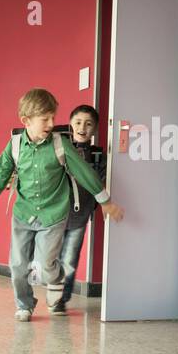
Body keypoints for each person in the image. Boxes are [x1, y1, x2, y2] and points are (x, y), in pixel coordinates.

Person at [0, 88, 124, 321]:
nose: (51, 123)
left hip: (53, 215)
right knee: (18, 265)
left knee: (46, 266)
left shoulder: (60, 144)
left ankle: (56, 280)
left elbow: (84, 172)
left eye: (53, 117)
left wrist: (105, 201)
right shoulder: (15, 146)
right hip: (23, 214)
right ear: (26, 121)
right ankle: (24, 305)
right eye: (45, 119)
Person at [57, 104, 105, 311]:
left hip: (79, 216)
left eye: (88, 124)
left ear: (94, 129)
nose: (82, 127)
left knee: (69, 259)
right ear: (70, 124)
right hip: (56, 214)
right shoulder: (59, 149)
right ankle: (53, 291)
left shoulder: (97, 156)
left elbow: (100, 183)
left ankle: (61, 300)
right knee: (51, 257)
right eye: (77, 122)